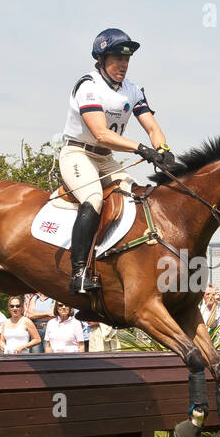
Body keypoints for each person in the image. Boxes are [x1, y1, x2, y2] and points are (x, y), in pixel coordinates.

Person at [60, 28, 174, 293]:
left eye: (127, 59)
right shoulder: (88, 87)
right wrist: (141, 149)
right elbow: (101, 134)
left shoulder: (132, 90)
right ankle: (78, 272)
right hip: (78, 153)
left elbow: (152, 128)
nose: (123, 64)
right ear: (100, 59)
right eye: (116, 58)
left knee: (137, 199)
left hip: (105, 159)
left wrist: (163, 149)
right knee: (93, 198)